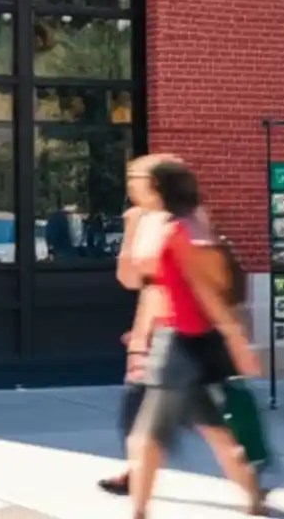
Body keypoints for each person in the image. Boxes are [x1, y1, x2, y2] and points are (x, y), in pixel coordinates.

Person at [127, 160, 264, 519]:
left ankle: (138, 512)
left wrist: (238, 344)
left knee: (145, 439)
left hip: (181, 343)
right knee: (216, 431)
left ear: (157, 186)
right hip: (187, 341)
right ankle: (253, 495)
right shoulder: (177, 226)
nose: (132, 186)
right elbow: (142, 280)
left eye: (139, 180)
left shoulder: (180, 232)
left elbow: (210, 294)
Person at [99, 154, 179, 496]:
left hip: (181, 333)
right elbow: (131, 280)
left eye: (136, 178)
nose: (130, 184)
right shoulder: (142, 221)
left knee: (212, 420)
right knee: (137, 406)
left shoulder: (181, 222)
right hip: (155, 332)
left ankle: (252, 474)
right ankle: (137, 474)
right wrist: (131, 230)